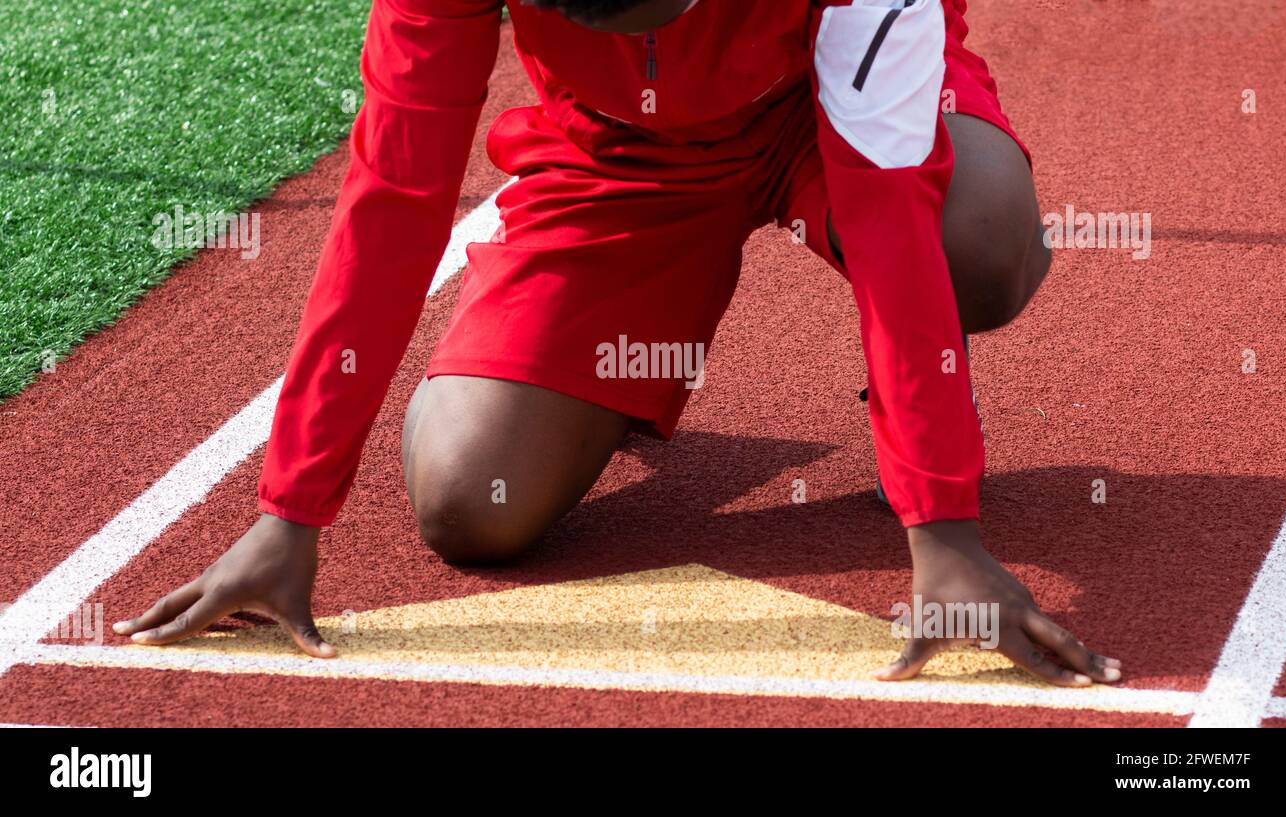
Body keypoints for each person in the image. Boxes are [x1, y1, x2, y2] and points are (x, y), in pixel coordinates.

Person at [115, 0, 1122, 687]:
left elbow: (887, 200)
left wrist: (940, 527)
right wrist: (291, 508)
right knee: (469, 503)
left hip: (820, 105)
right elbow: (395, 196)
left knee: (976, 240)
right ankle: (598, 382)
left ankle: (911, 406)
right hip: (617, 156)